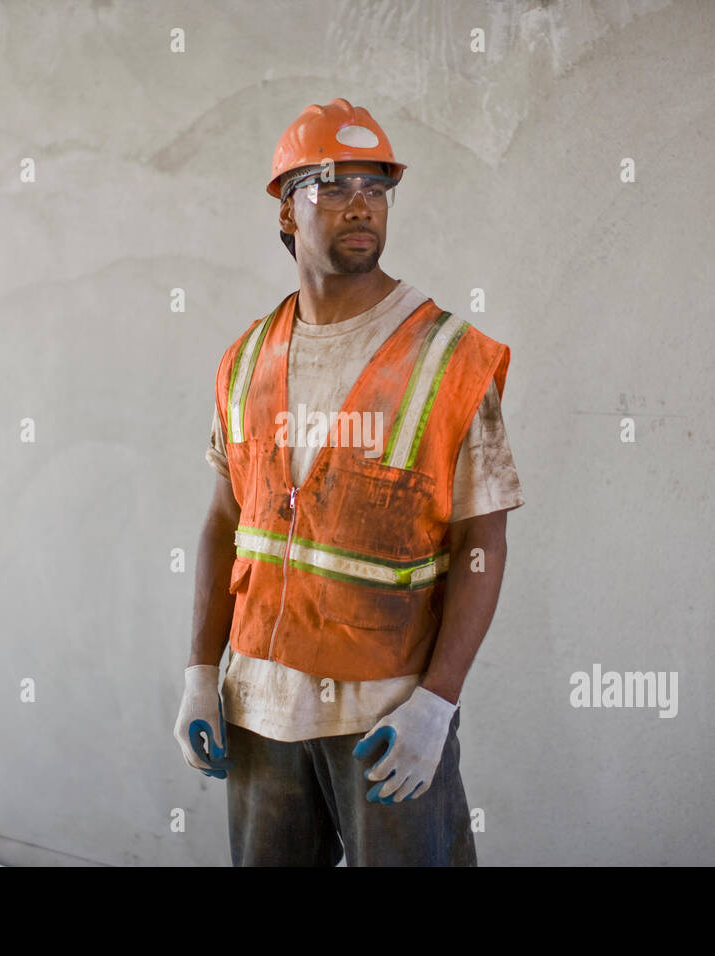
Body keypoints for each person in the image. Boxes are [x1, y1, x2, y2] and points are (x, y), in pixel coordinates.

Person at [174, 97, 524, 866]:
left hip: (386, 717)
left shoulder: (449, 358)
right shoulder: (246, 360)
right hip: (260, 710)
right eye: (332, 186)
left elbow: (482, 542)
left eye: (375, 187)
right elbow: (220, 522)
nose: (360, 205)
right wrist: (202, 673)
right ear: (286, 213)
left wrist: (437, 703)